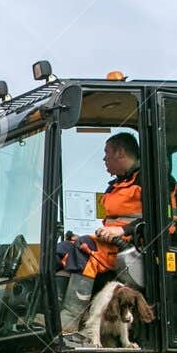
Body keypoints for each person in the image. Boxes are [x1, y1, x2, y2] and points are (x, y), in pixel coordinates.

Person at [59, 133, 143, 340]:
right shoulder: (115, 186)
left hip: (134, 246)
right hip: (111, 244)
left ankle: (70, 322)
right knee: (63, 249)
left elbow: (163, 222)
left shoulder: (151, 180)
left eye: (106, 154)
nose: (104, 159)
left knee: (85, 250)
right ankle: (48, 315)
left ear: (120, 153)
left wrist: (123, 231)